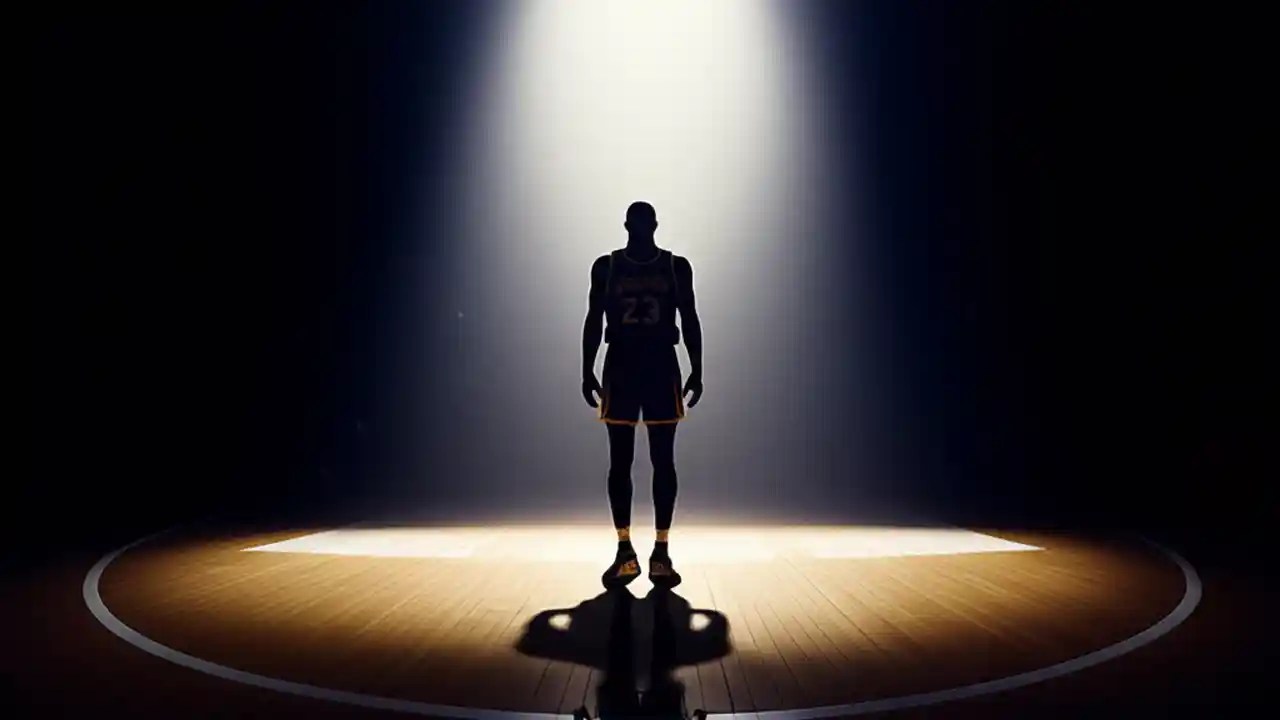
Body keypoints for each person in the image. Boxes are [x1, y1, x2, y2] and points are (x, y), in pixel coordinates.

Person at [581, 201, 703, 590]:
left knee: (642, 462)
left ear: (632, 225)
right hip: (638, 365)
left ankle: (642, 551)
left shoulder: (669, 266)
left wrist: (698, 367)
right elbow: (594, 319)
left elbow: (689, 317)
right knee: (643, 461)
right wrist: (697, 367)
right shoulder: (612, 266)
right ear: (652, 224)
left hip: (643, 364)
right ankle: (645, 552)